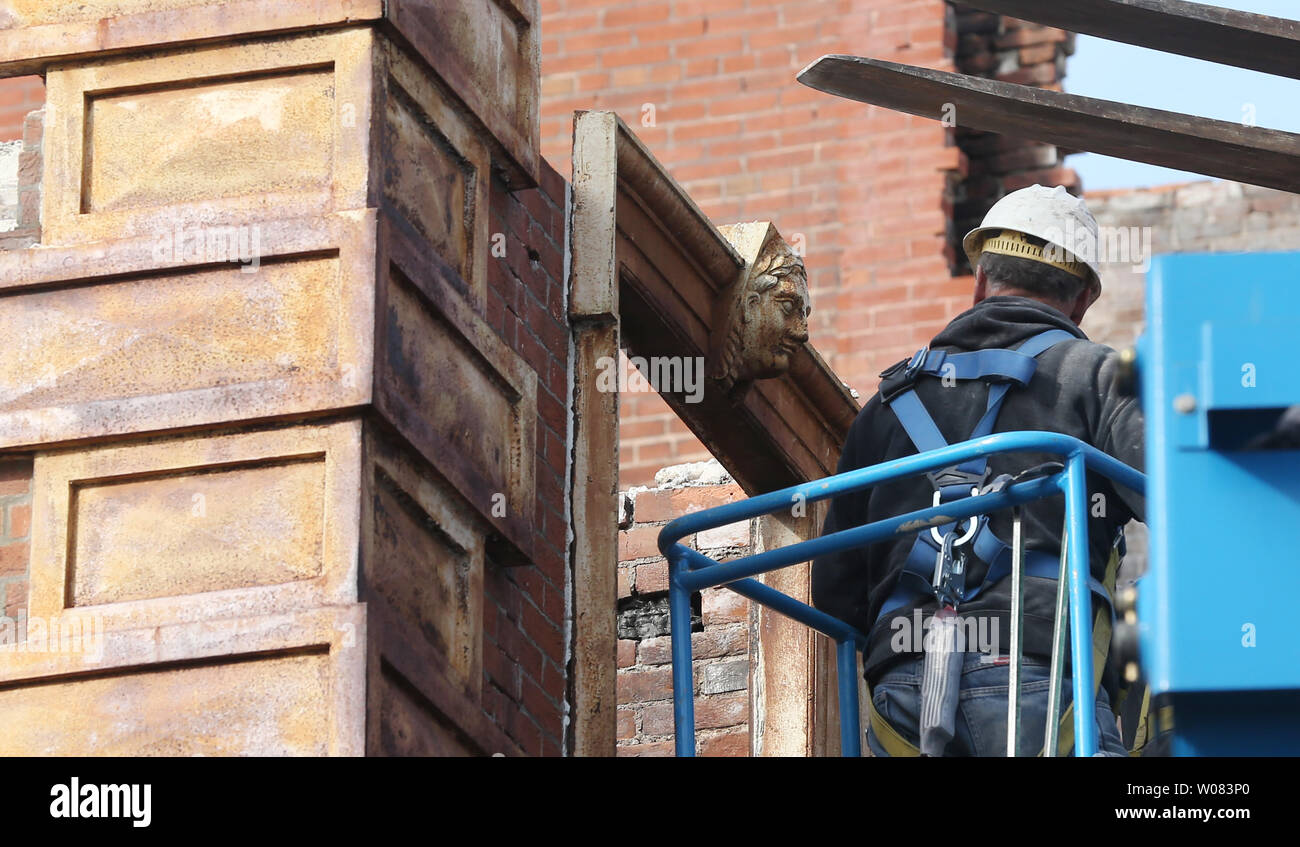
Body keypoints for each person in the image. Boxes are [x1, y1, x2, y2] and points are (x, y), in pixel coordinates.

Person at [811, 184, 1146, 757]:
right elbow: (1180, 500)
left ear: (981, 281)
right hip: (1037, 668)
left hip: (906, 692)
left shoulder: (887, 406)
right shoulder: (1100, 376)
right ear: (1082, 299)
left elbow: (834, 596)